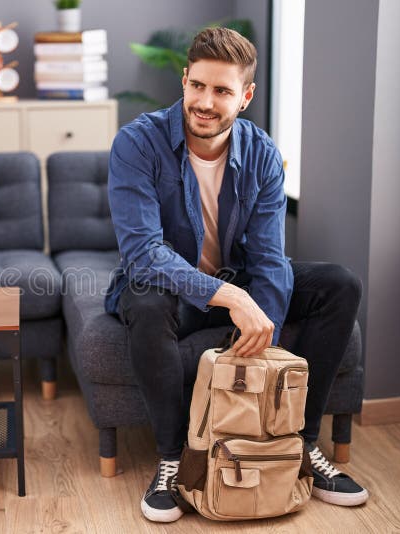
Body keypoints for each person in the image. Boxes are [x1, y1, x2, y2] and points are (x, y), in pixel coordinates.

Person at [105, 27, 369, 523]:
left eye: (222, 91)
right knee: (144, 300)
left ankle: (298, 443)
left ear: (245, 97)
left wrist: (262, 331)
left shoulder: (262, 154)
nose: (205, 102)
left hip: (236, 279)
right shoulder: (138, 143)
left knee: (340, 284)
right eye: (197, 85)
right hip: (169, 287)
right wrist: (232, 298)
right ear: (184, 79)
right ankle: (174, 460)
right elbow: (143, 254)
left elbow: (269, 259)